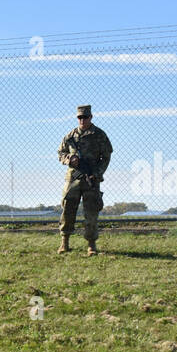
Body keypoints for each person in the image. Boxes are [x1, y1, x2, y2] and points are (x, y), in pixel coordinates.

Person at [56, 104, 113, 255]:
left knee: (91, 211)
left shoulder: (99, 135)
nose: (82, 120)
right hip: (73, 178)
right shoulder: (70, 136)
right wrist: (69, 159)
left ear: (90, 117)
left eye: (85, 117)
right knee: (67, 209)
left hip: (91, 179)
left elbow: (106, 157)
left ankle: (91, 245)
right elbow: (60, 153)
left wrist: (97, 173)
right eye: (79, 117)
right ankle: (64, 242)